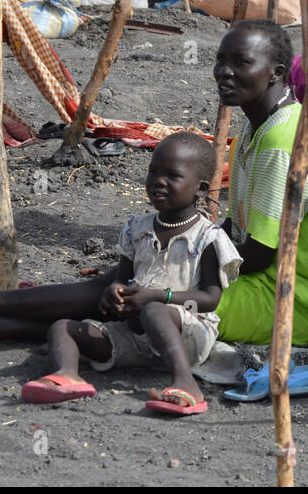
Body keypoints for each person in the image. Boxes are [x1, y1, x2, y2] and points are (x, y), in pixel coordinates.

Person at [0, 22, 308, 353]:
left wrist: (173, 277)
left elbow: (257, 254)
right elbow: (236, 236)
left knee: (136, 295)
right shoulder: (260, 131)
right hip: (265, 280)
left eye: (242, 62)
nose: (224, 72)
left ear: (277, 73)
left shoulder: (282, 142)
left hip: (301, 303)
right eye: (221, 60)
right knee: (127, 285)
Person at [20, 132, 240, 416]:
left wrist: (158, 297)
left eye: (172, 176)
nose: (158, 181)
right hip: (135, 338)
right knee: (62, 327)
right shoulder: (136, 229)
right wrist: (115, 292)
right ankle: (67, 375)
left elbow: (210, 299)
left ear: (200, 188)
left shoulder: (207, 237)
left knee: (155, 312)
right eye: (153, 172)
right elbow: (121, 279)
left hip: (189, 335)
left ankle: (186, 383)